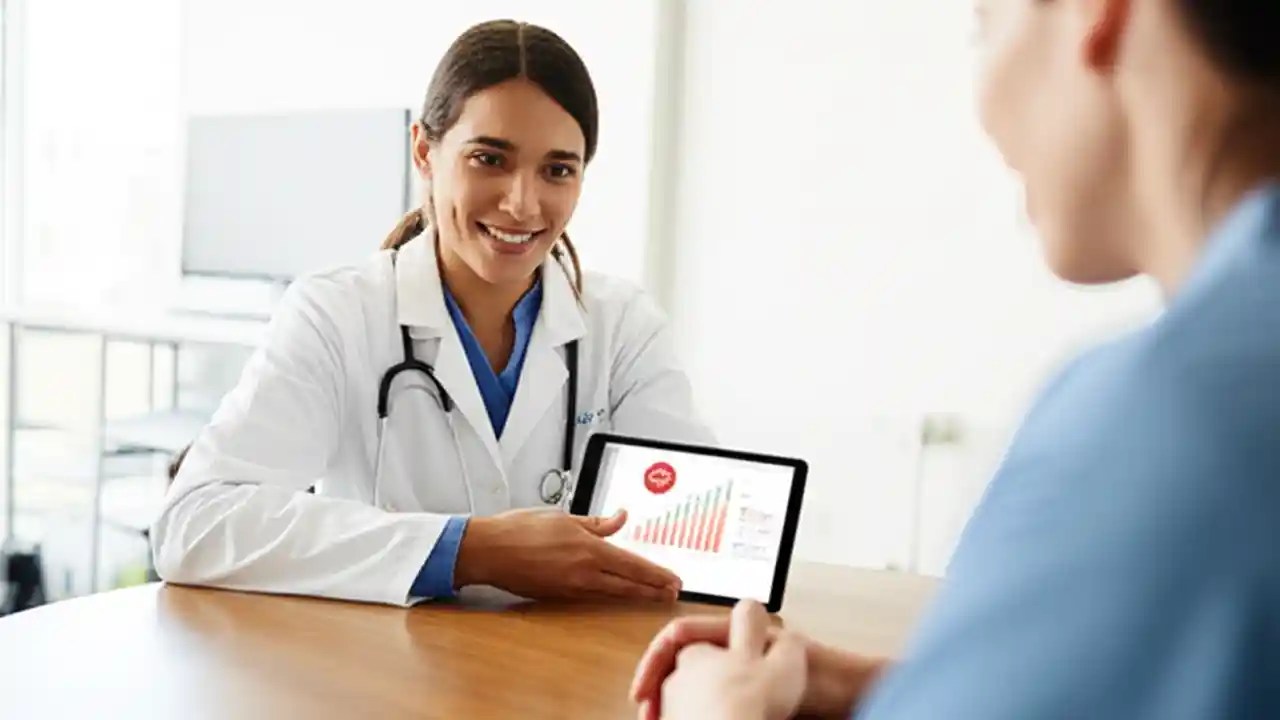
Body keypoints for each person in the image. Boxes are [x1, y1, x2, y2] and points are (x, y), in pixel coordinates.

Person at [632, 0, 1280, 717]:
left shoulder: (1168, 421)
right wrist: (894, 689)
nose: (986, 107)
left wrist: (722, 710)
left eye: (986, 23)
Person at [149, 19, 712, 607]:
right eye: (489, 159)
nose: (522, 203)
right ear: (424, 150)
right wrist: (469, 549)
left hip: (561, 681)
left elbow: (693, 539)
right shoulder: (337, 314)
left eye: (557, 170)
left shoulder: (622, 327)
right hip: (380, 680)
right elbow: (195, 525)